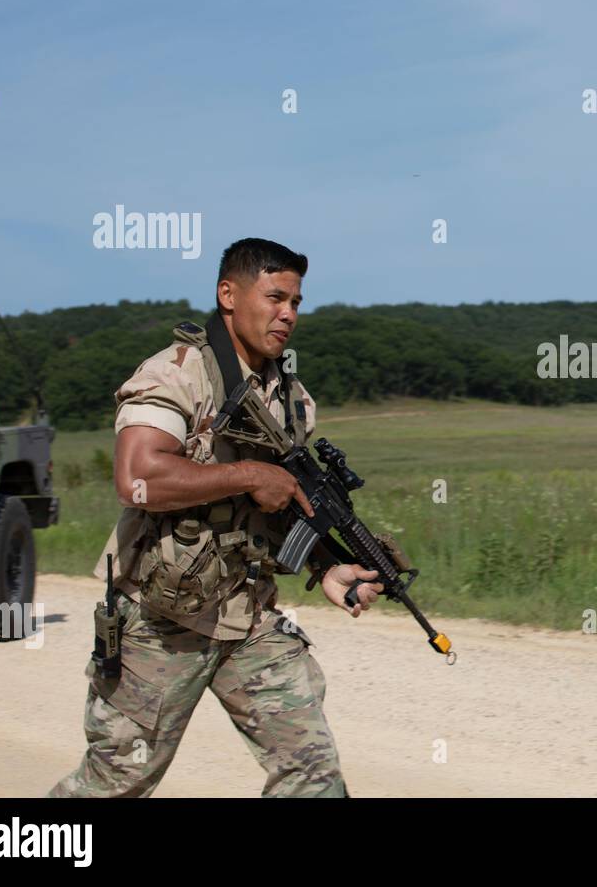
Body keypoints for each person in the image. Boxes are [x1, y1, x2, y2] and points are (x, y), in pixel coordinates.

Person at [49, 238, 383, 797]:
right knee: (117, 782)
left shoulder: (290, 398)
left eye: (296, 302)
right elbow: (137, 477)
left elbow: (276, 504)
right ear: (228, 294)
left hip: (248, 617)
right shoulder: (176, 374)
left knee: (312, 771)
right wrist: (249, 474)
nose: (288, 314)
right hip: (159, 621)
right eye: (275, 297)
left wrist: (325, 565)